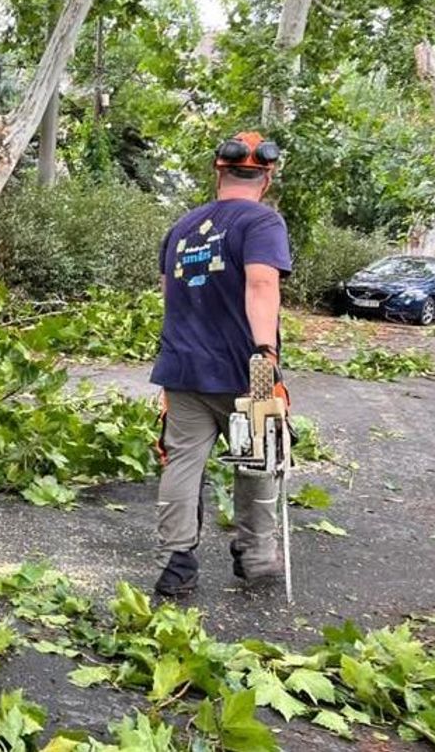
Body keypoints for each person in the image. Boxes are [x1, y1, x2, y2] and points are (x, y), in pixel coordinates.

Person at [150, 131, 292, 596]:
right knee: (257, 457)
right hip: (243, 367)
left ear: (218, 170)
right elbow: (261, 285)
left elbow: (170, 296)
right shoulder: (262, 223)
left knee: (183, 463)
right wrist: (265, 354)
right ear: (266, 177)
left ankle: (177, 564)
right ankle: (255, 557)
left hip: (183, 366)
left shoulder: (183, 227)